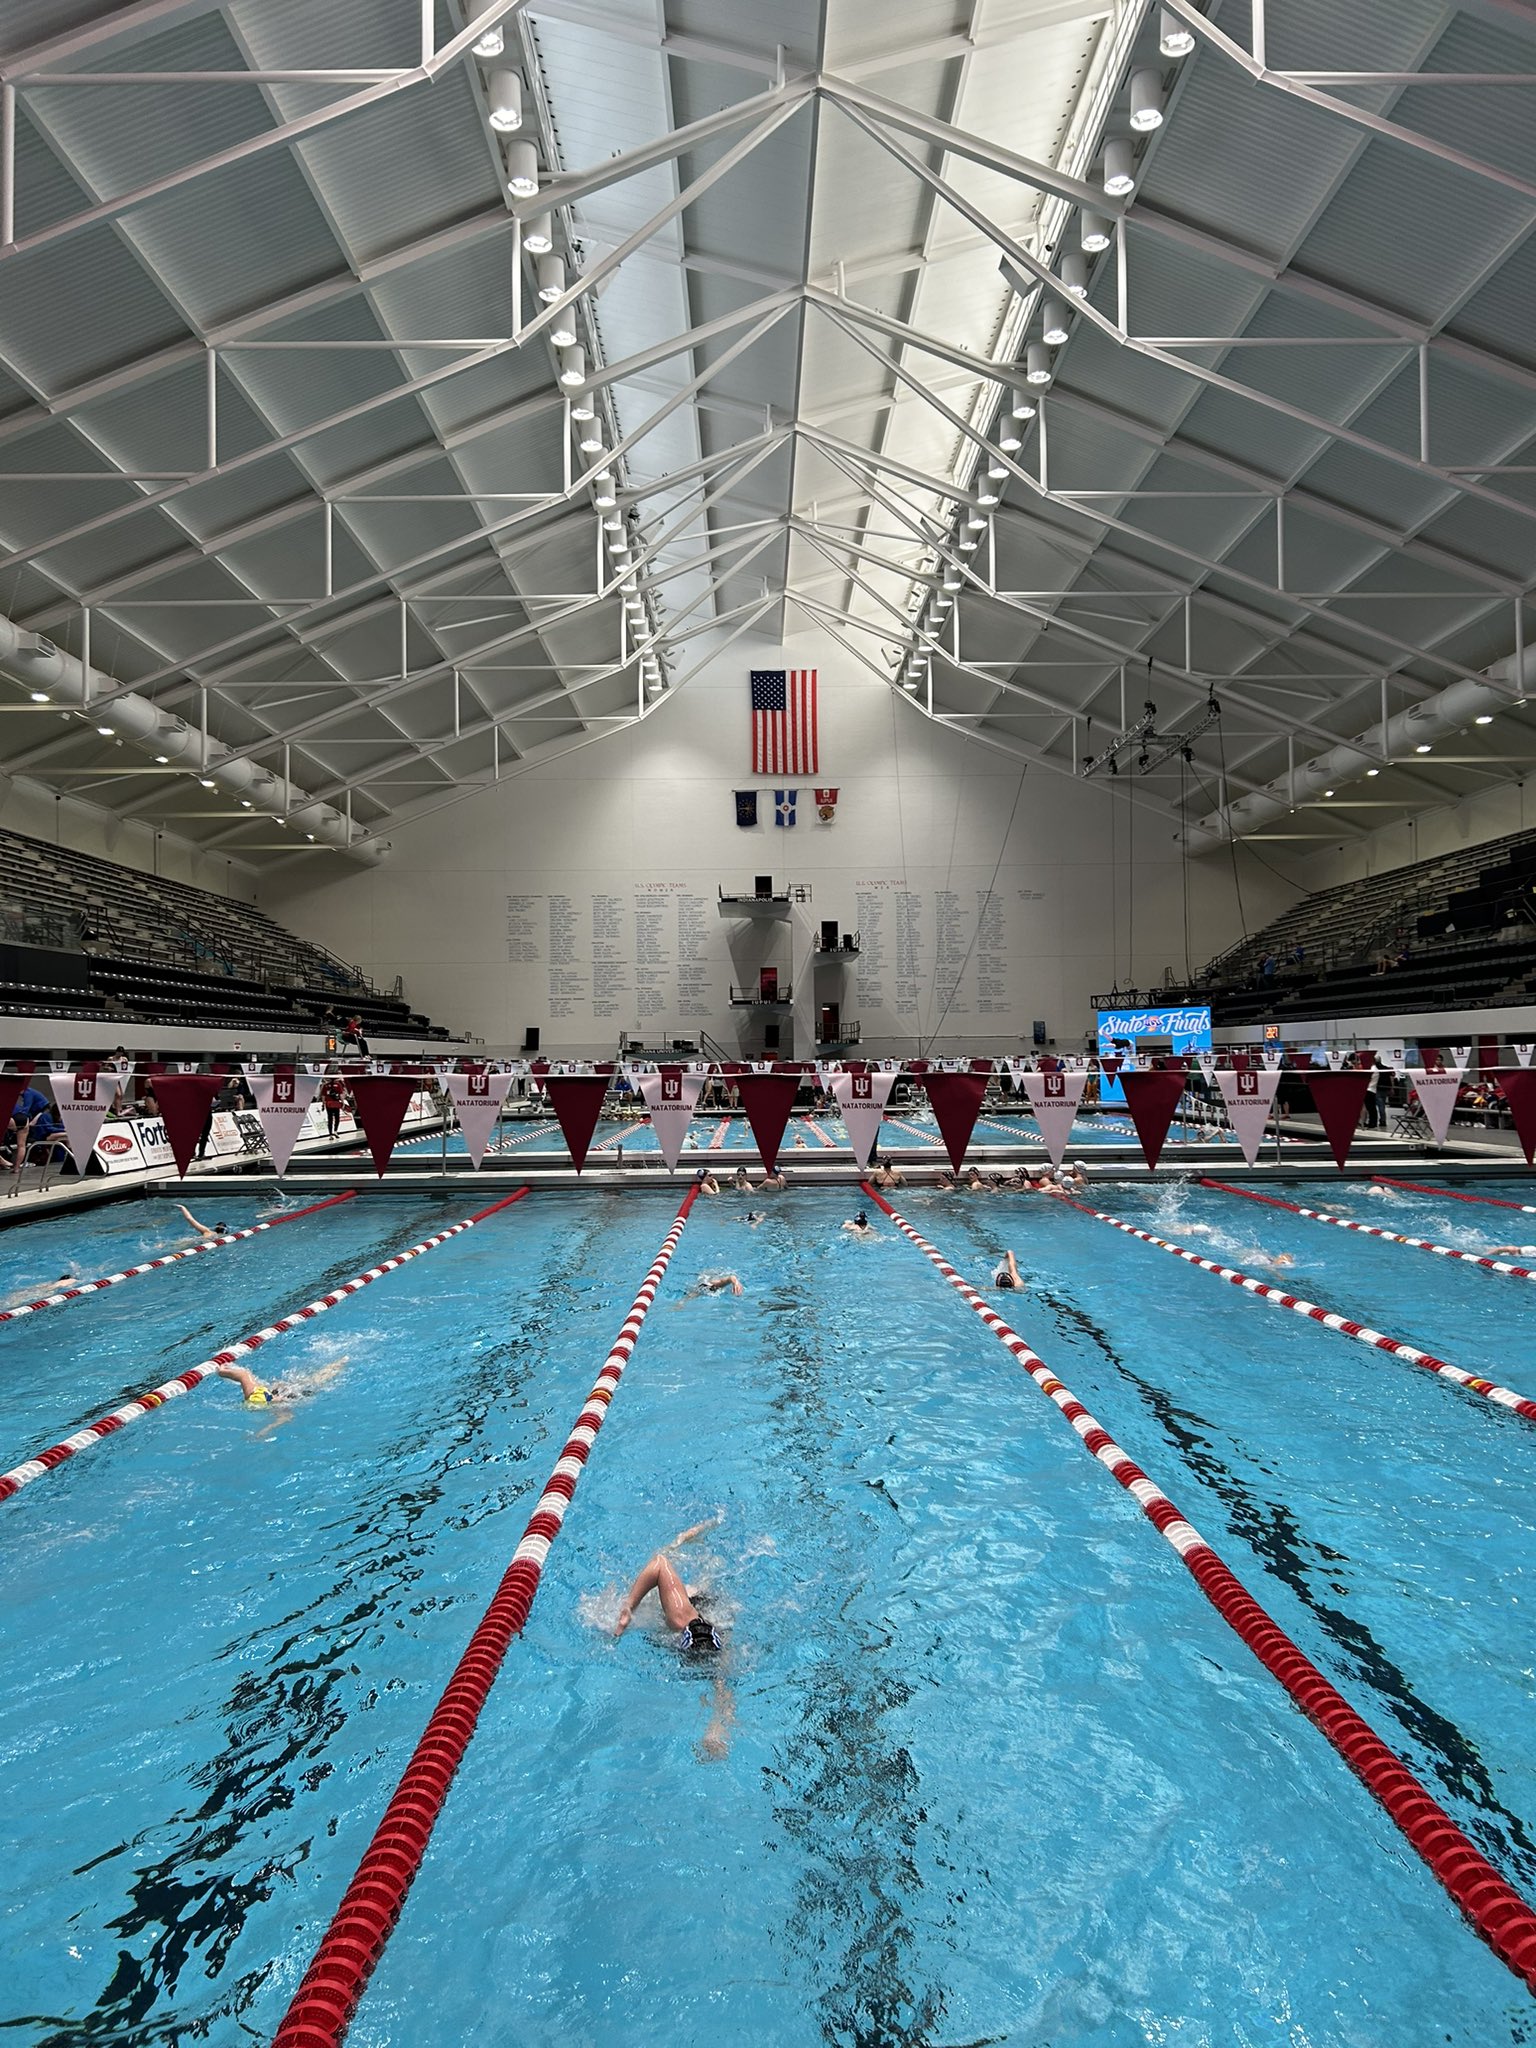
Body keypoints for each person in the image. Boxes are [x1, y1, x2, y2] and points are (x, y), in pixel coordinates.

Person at [612, 1517, 733, 1758]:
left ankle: (688, 1538)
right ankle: (687, 1538)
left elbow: (660, 1563)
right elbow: (659, 1563)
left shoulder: (686, 1622)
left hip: (701, 1621)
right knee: (664, 1555)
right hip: (699, 1618)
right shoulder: (683, 1618)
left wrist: (715, 1732)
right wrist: (627, 1610)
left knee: (666, 1559)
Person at [320, 1074, 347, 1139]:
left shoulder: (325, 1085)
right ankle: (335, 1131)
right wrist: (343, 1103)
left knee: (330, 1118)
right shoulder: (338, 1085)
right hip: (336, 1103)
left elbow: (323, 1096)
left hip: (329, 1104)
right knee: (337, 1118)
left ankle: (330, 1134)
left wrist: (323, 1104)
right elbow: (341, 1095)